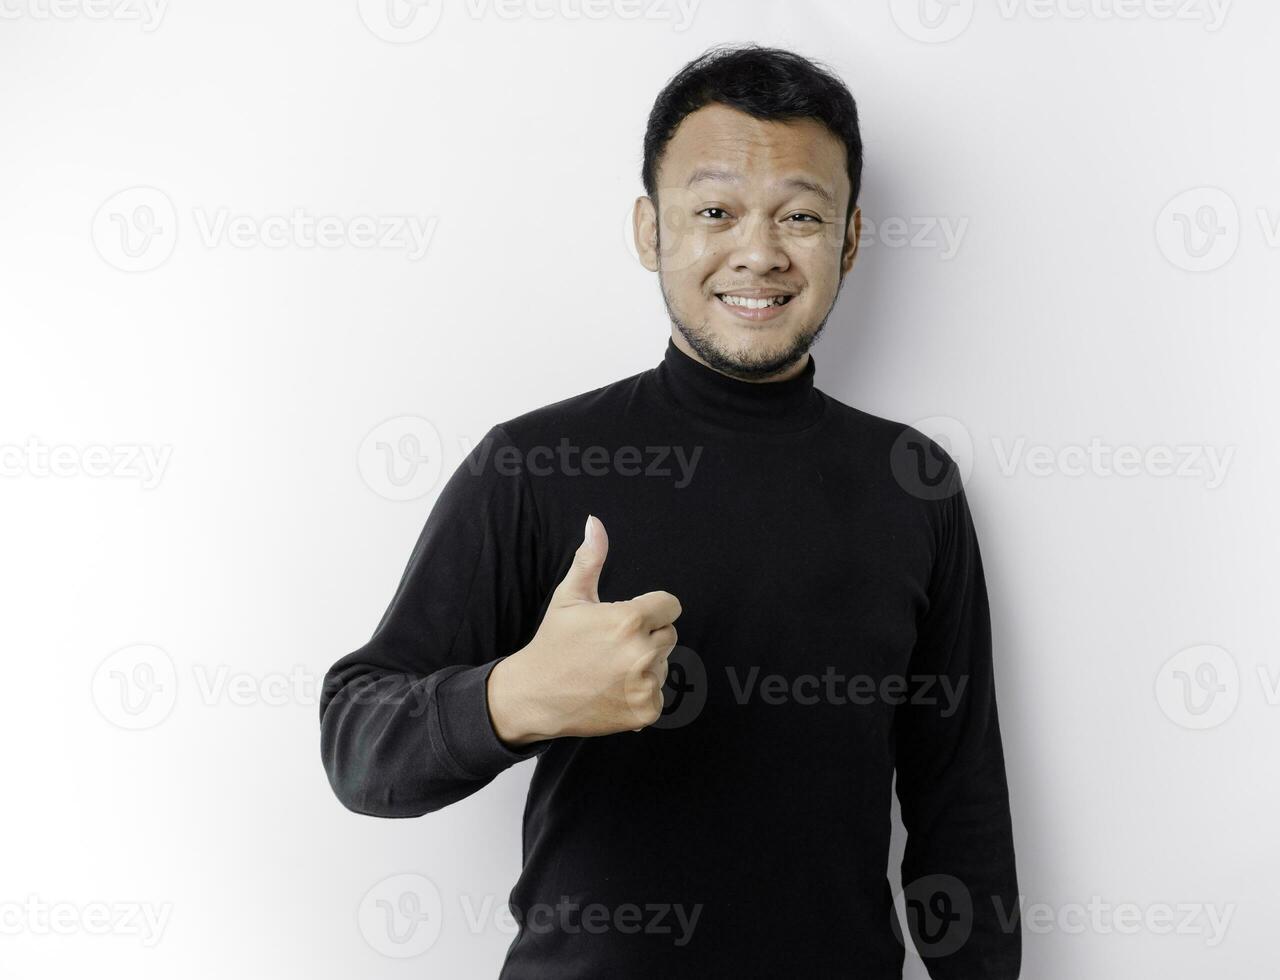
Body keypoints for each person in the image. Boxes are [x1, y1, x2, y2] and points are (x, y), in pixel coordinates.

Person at [319, 42, 1021, 979]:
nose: (759, 252)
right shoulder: (535, 464)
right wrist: (520, 696)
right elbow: (358, 746)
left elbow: (959, 804)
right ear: (651, 231)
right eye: (716, 210)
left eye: (802, 216)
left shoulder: (913, 480)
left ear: (850, 239)